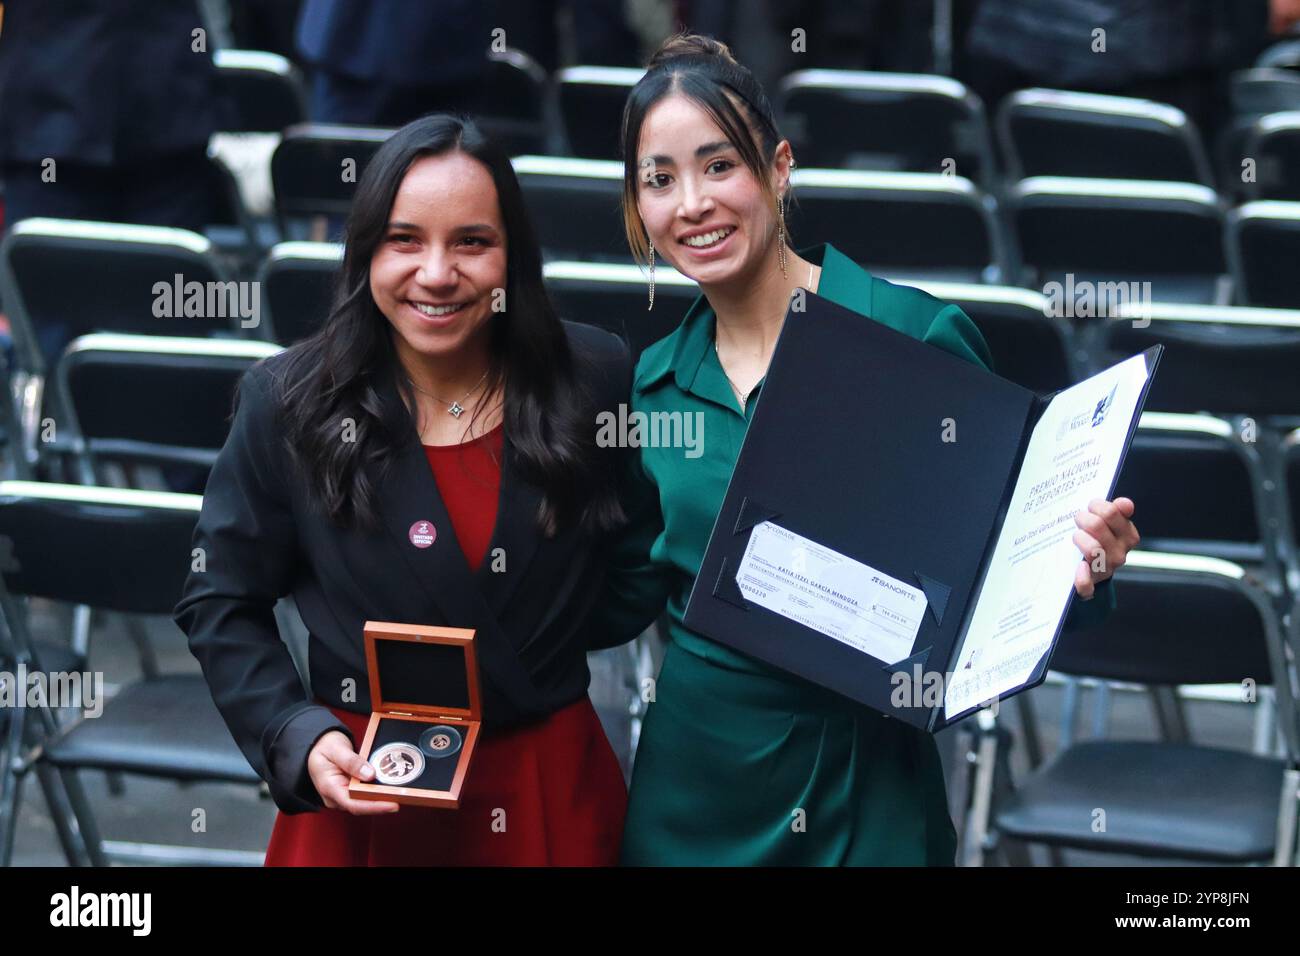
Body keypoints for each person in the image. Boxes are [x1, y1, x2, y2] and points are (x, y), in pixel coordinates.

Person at [592, 34, 1142, 866]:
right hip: (695, 791)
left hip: (868, 785)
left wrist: (1086, 566)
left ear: (779, 167)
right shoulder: (653, 387)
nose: (692, 203)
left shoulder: (911, 334)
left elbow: (1006, 561)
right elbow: (622, 591)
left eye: (718, 165)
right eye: (659, 181)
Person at [173, 114, 634, 866]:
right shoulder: (287, 402)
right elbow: (219, 599)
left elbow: (638, 559)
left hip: (545, 786)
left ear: (513, 256)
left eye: (473, 242)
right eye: (404, 240)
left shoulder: (595, 377)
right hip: (361, 788)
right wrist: (297, 731)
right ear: (365, 254)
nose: (437, 272)